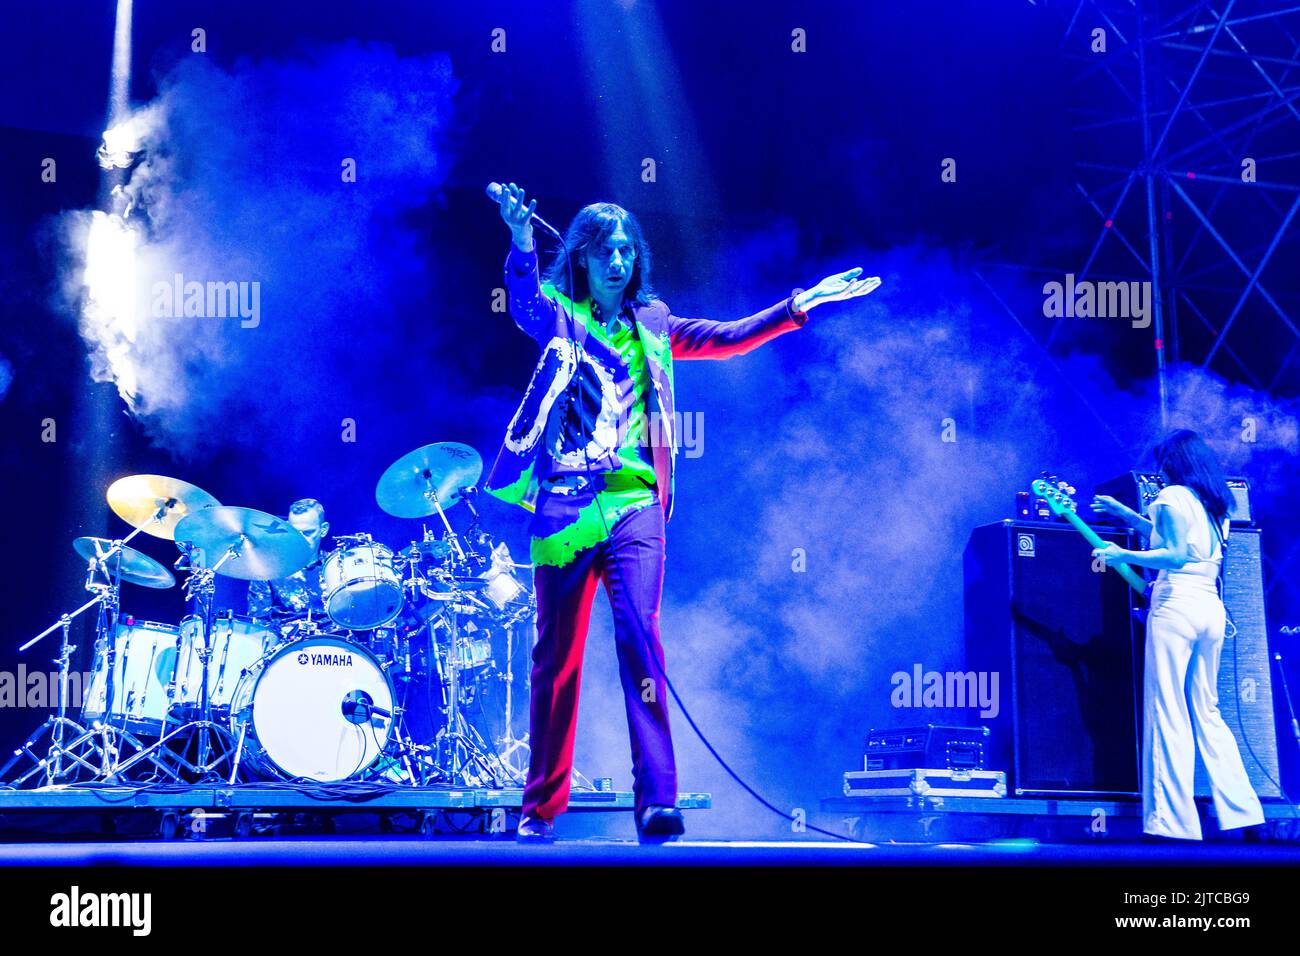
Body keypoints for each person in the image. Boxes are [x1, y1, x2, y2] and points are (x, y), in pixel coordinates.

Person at [484, 183, 880, 842]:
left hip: (635, 502)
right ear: (580, 257)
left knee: (641, 639)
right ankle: (540, 808)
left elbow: (727, 337)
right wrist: (520, 238)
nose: (618, 261)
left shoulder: (656, 323)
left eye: (626, 250)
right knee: (556, 658)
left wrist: (798, 305)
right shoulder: (558, 316)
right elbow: (523, 300)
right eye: (604, 250)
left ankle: (657, 803)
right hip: (564, 507)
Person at [1091, 430, 1265, 840]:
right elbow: (1182, 542)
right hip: (1210, 608)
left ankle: (1172, 824)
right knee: (1208, 712)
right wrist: (1126, 516)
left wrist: (1122, 554)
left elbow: (1176, 554)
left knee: (1167, 710)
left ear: (1170, 462)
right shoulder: (1215, 502)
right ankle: (1245, 813)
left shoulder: (1169, 497)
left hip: (1176, 606)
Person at [246, 498, 332, 625]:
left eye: (308, 533)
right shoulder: (268, 568)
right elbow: (258, 623)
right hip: (284, 641)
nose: (301, 539)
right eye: (296, 533)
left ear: (323, 530)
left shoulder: (336, 566)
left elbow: (351, 617)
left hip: (331, 642)